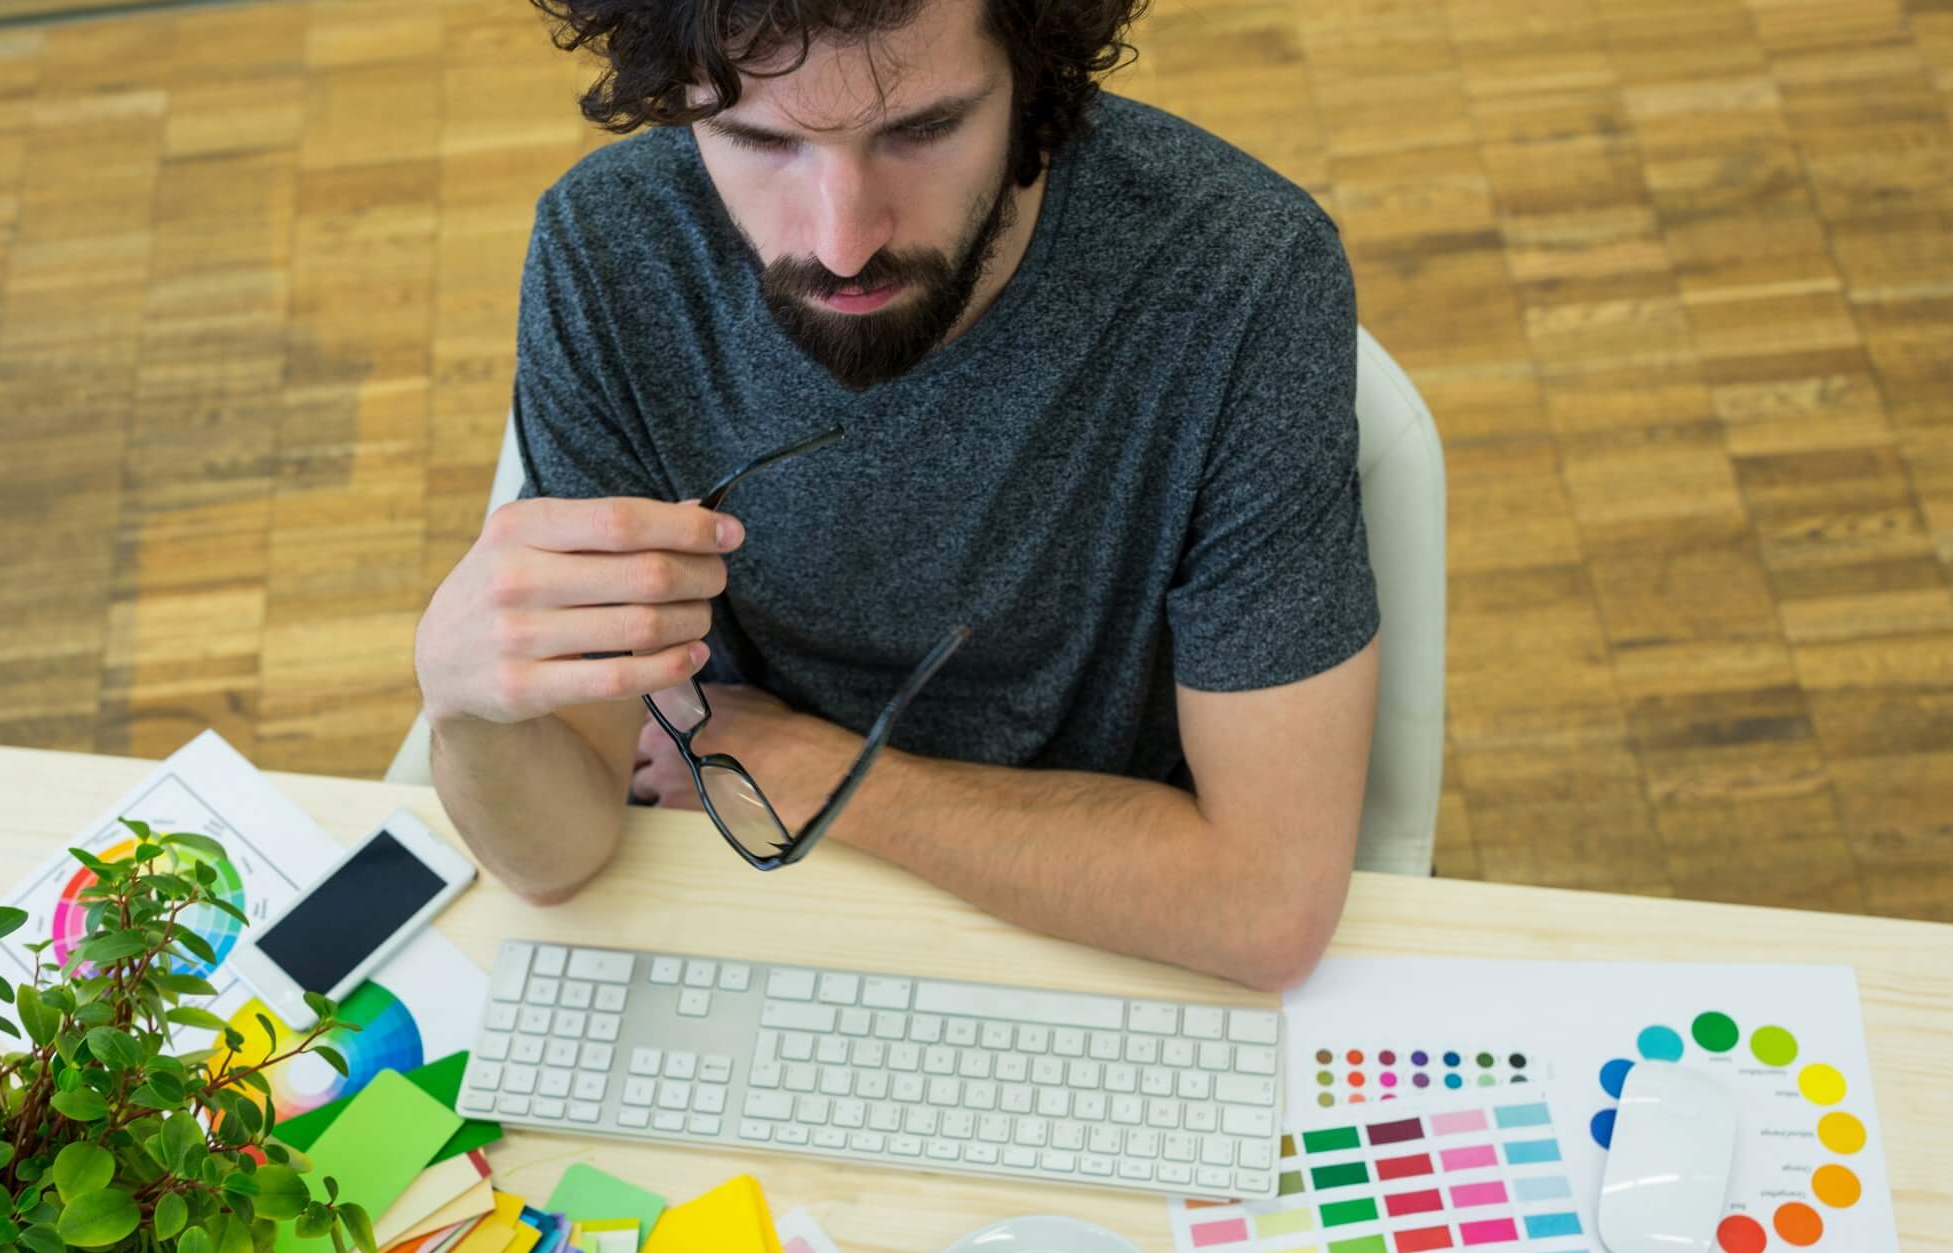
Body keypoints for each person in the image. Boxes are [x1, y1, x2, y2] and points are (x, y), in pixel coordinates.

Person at [411, 0, 1380, 992]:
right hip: (745, 889)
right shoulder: (611, 248)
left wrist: (823, 776)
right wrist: (461, 709)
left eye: (922, 129)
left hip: (1098, 937)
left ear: (1035, 77)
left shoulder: (1243, 279)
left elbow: (1265, 908)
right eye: (756, 137)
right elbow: (557, 859)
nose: (840, 244)